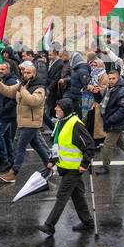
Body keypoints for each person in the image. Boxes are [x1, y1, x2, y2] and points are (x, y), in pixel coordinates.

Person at [38, 98, 96, 236]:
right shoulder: (61, 122)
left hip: (74, 168)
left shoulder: (76, 125)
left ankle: (49, 225)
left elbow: (90, 146)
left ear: (66, 110)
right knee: (78, 196)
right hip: (65, 167)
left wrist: (84, 164)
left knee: (62, 196)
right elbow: (57, 145)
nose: (55, 109)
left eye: (58, 108)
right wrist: (52, 160)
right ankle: (88, 222)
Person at [0, 59, 51, 183]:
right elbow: (9, 91)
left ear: (34, 74)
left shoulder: (39, 87)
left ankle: (14, 172)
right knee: (37, 146)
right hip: (23, 121)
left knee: (20, 147)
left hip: (31, 123)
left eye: (28, 73)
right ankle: (49, 166)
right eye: (24, 72)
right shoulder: (24, 84)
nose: (25, 74)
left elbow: (33, 101)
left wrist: (22, 90)